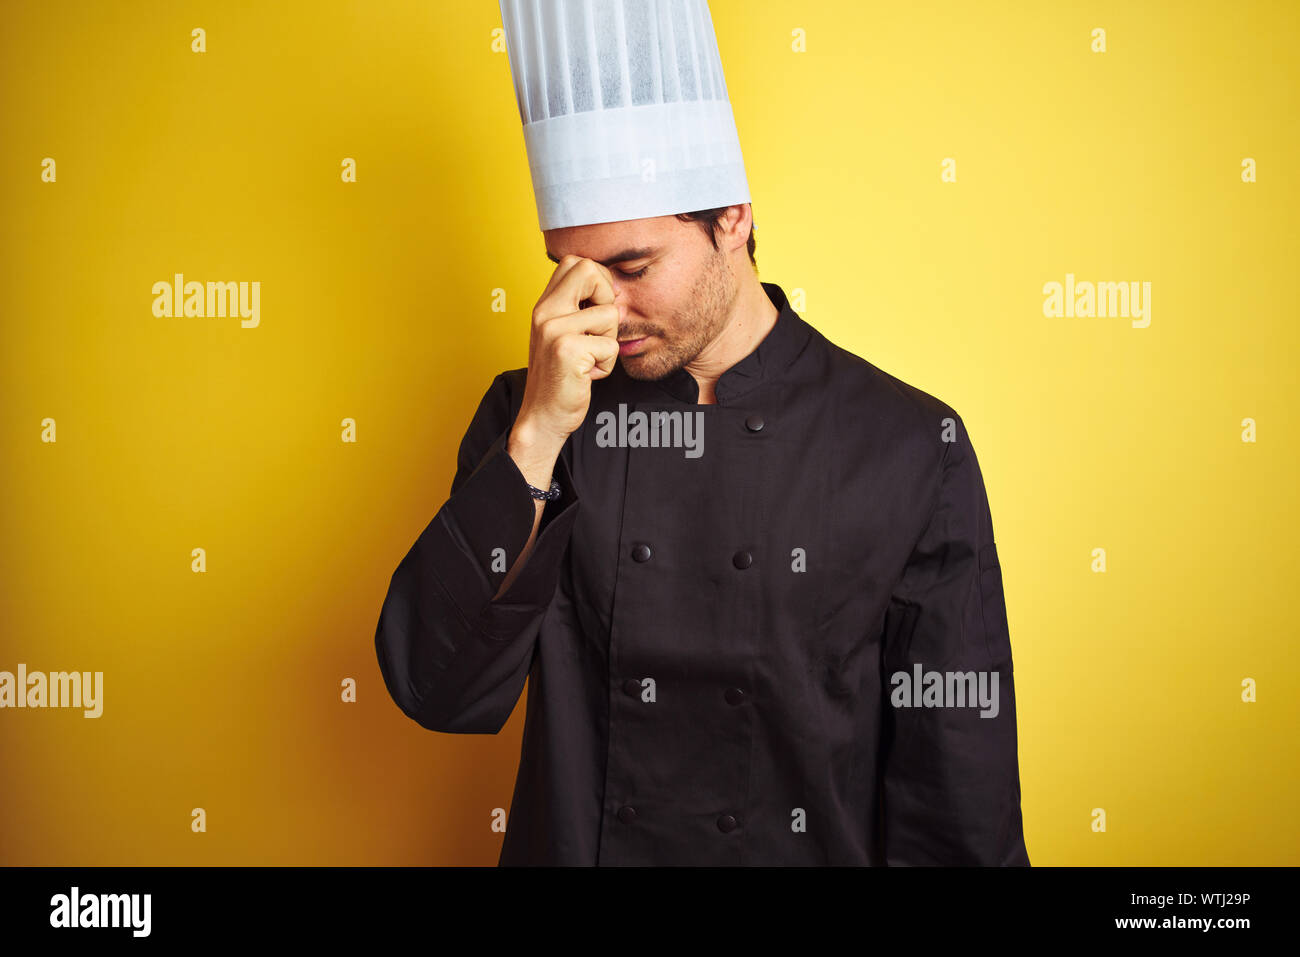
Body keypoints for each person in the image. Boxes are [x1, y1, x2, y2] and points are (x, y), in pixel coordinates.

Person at [374, 0, 1029, 866]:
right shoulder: (528, 416)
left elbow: (957, 802)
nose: (598, 306)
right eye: (569, 269)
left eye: (631, 266)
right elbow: (436, 686)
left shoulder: (909, 446)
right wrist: (535, 436)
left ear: (732, 220)